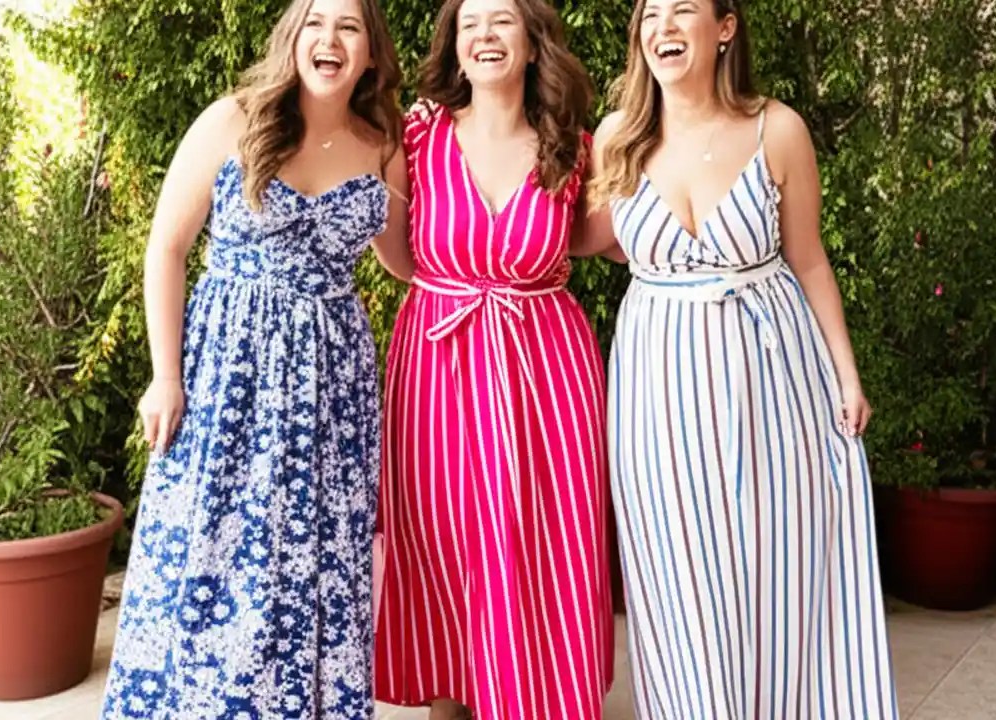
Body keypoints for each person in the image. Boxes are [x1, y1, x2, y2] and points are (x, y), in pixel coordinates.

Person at [582, 0, 900, 717]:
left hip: (769, 372)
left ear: (724, 27)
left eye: (683, 9)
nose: (663, 26)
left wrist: (846, 376)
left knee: (774, 561)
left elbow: (810, 261)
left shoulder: (776, 129)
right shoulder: (618, 139)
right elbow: (583, 236)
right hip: (657, 382)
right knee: (676, 570)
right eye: (650, 13)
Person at [99, 0, 410, 716]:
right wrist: (165, 376)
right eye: (316, 22)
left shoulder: (381, 141)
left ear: (370, 53)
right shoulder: (233, 119)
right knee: (212, 547)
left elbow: (405, 262)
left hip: (332, 385)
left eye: (350, 27)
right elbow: (166, 249)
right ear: (292, 35)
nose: (329, 40)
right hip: (226, 374)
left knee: (312, 562)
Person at [373, 0, 614, 718]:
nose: (484, 35)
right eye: (470, 22)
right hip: (437, 356)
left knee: (544, 539)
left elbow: (606, 235)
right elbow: (396, 254)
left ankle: (538, 697)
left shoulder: (574, 146)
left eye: (501, 20)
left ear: (534, 43)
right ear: (454, 45)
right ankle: (451, 700)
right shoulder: (413, 135)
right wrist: (460, 286)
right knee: (440, 532)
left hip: (546, 365)